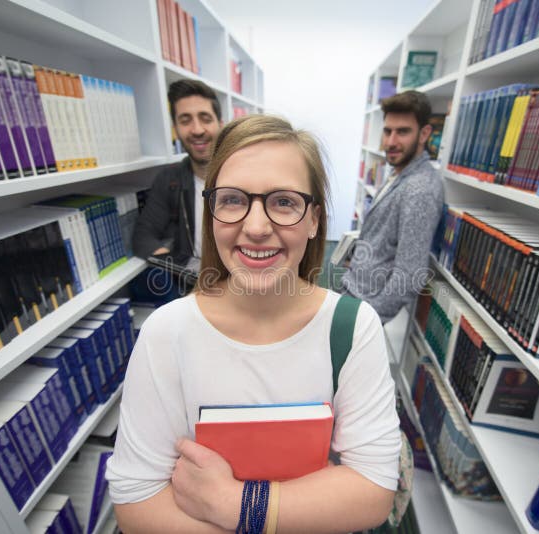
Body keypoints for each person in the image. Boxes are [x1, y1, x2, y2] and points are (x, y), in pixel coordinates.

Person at [107, 115, 401, 533]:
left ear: (315, 219)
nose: (257, 227)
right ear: (210, 212)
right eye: (231, 200)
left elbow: (373, 489)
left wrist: (235, 505)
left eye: (284, 201)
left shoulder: (353, 328)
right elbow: (137, 503)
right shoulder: (167, 333)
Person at [342, 90, 445, 323]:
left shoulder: (419, 190)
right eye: (388, 131)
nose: (391, 142)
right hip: (355, 292)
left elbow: (409, 275)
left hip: (366, 308)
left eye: (403, 132)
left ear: (424, 134)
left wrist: (366, 324)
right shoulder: (400, 173)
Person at [132, 79, 223, 260]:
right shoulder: (169, 178)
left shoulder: (247, 176)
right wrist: (180, 268)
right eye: (185, 120)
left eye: (205, 119)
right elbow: (143, 236)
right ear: (176, 129)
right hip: (192, 282)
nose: (197, 130)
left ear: (220, 125)